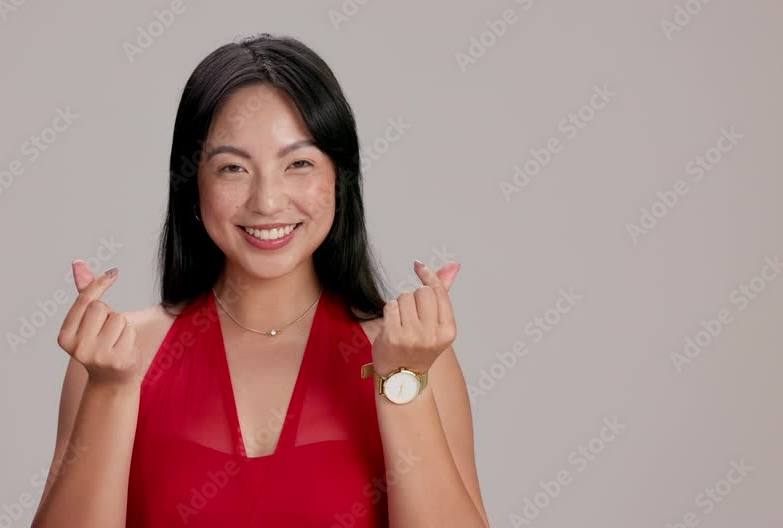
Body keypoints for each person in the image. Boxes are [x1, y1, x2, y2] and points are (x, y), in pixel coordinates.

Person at [32, 33, 489, 527]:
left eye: (299, 163)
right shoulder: (114, 357)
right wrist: (109, 391)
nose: (267, 201)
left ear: (341, 177)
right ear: (192, 185)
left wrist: (404, 381)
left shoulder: (413, 359)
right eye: (233, 168)